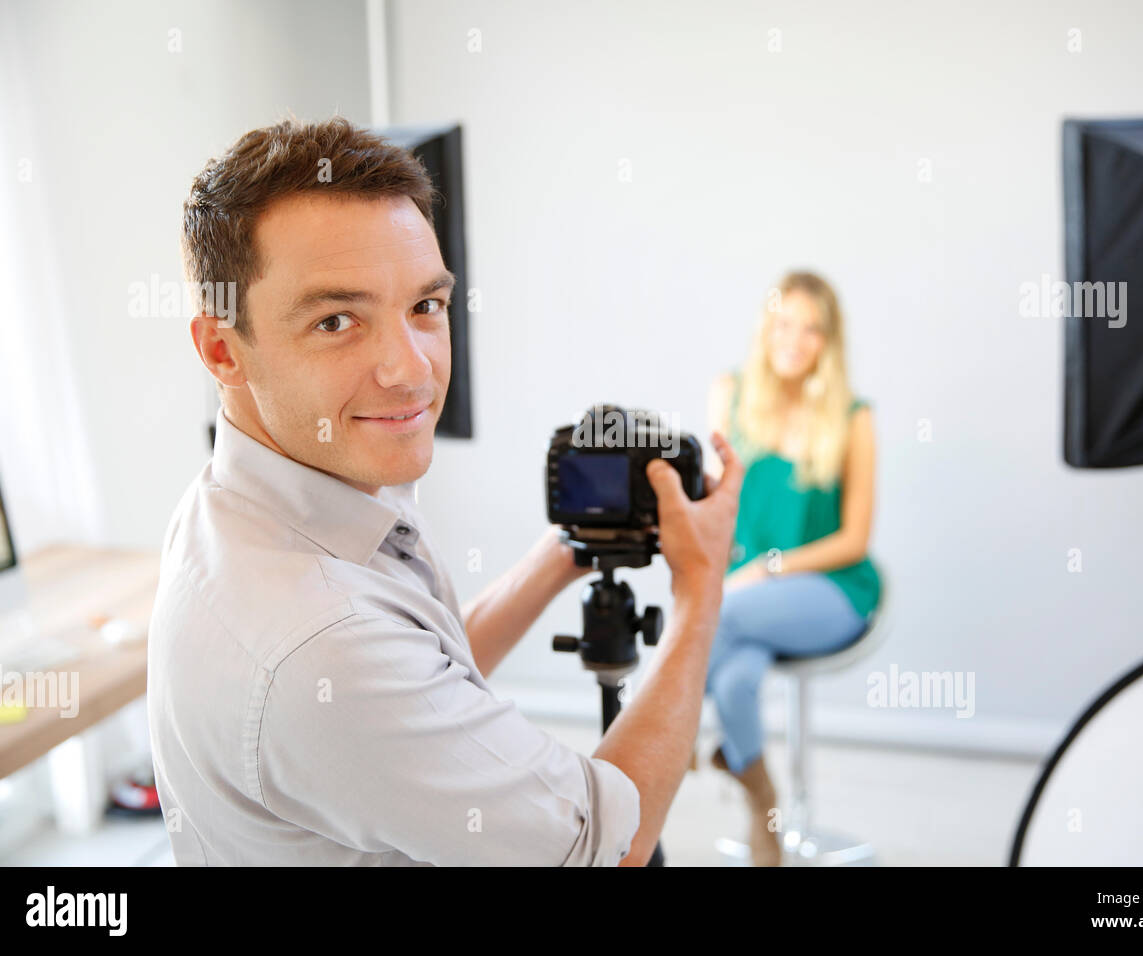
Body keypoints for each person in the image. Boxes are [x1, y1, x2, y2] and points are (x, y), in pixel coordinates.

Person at [147, 116, 744, 866]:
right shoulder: (318, 647)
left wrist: (567, 551)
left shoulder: (252, 499)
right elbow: (606, 847)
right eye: (337, 320)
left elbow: (423, 667)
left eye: (426, 306)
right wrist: (700, 591)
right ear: (221, 350)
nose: (412, 369)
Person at [703, 271, 882, 866]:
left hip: (829, 591)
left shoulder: (852, 417)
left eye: (812, 329)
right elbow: (715, 511)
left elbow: (854, 540)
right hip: (746, 599)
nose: (795, 340)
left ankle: (662, 746)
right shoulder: (729, 394)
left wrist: (769, 569)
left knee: (714, 615)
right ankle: (764, 805)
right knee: (733, 682)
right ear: (766, 327)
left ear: (828, 340)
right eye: (785, 324)